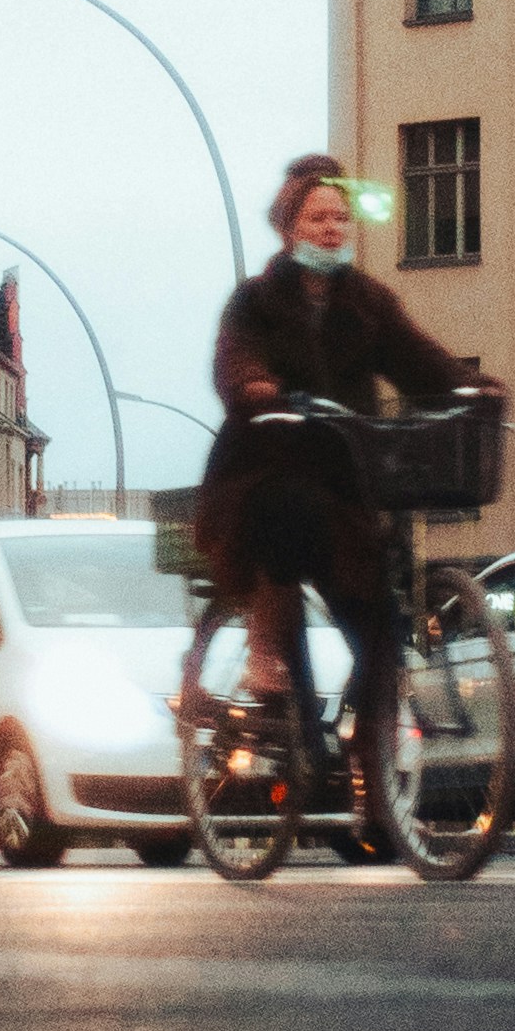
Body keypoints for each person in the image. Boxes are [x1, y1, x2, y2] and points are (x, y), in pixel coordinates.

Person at [196, 154, 485, 811]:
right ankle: (267, 656)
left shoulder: (369, 302)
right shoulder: (255, 300)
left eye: (340, 217)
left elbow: (416, 359)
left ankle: (373, 753)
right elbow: (234, 358)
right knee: (284, 518)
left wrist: (466, 387)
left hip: (344, 473)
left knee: (381, 618)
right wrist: (255, 386)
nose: (332, 229)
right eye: (317, 217)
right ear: (289, 227)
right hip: (263, 465)